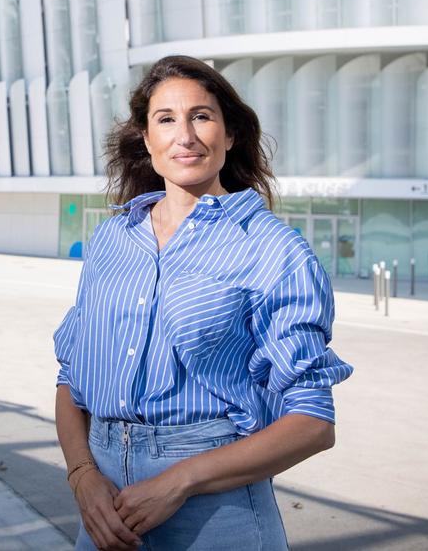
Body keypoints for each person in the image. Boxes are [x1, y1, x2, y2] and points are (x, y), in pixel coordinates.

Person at [53, 55, 354, 550]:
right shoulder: (111, 240)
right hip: (103, 507)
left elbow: (313, 424)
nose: (185, 136)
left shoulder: (272, 249)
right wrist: (82, 476)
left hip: (216, 512)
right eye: (166, 119)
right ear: (146, 140)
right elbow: (72, 380)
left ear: (229, 133)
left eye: (201, 116)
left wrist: (179, 480)